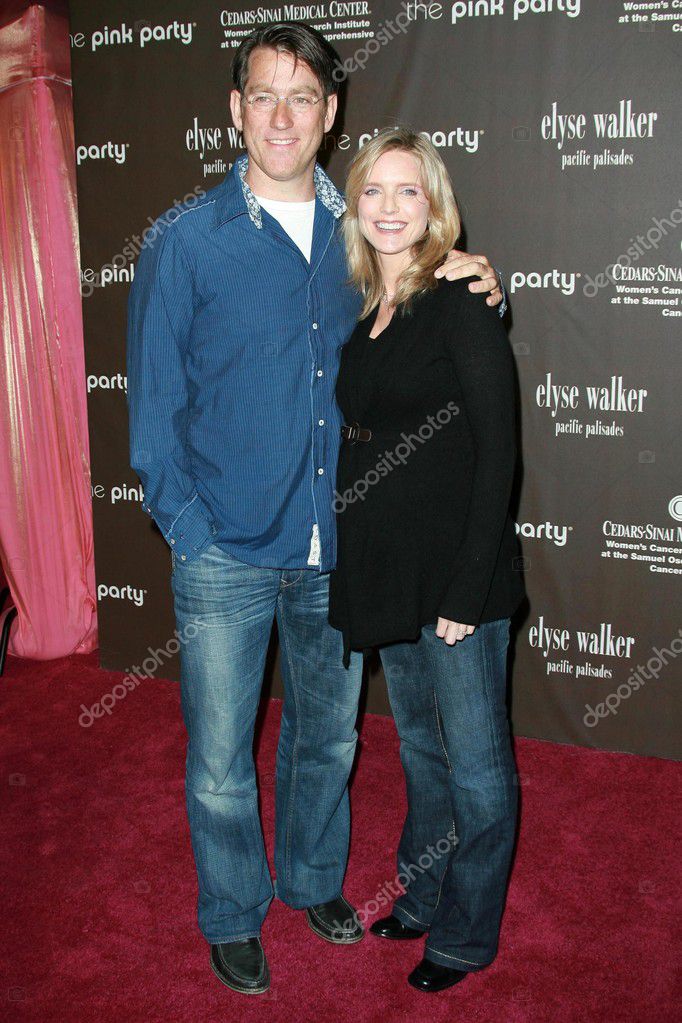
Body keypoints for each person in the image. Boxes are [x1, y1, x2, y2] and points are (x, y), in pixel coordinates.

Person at [126, 23, 506, 996]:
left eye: (302, 96)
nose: (282, 116)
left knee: (327, 738)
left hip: (340, 545)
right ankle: (232, 911)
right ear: (234, 110)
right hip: (224, 548)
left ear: (332, 113)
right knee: (219, 754)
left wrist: (473, 269)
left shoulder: (362, 236)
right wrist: (188, 525)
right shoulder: (183, 241)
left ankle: (308, 883)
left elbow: (427, 293)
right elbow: (154, 407)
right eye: (263, 95)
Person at [328, 126, 525, 993]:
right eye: (374, 190)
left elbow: (498, 453)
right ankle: (425, 888)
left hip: (456, 578)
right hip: (388, 568)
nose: (390, 207)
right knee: (419, 748)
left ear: (434, 204)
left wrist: (468, 586)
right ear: (356, 206)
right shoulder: (367, 308)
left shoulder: (459, 299)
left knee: (478, 766)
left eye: (409, 191)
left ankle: (468, 933)